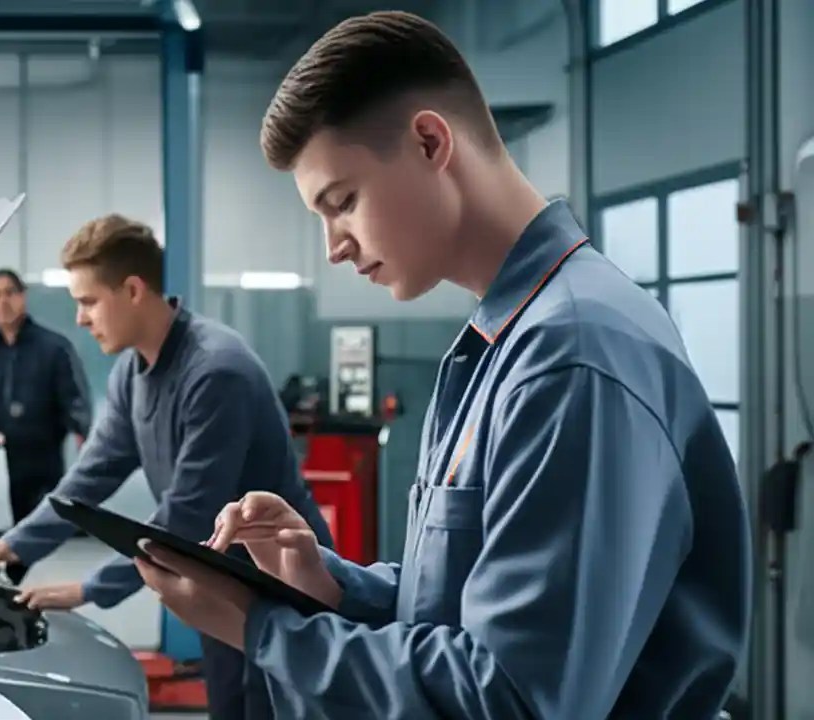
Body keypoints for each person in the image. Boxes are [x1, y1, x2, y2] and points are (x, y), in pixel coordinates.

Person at [131, 11, 751, 720]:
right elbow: (468, 607)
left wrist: (260, 627)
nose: (334, 245)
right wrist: (330, 586)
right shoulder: (501, 342)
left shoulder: (571, 358)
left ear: (430, 142)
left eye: (344, 203)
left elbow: (512, 698)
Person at [0, 215, 334, 720]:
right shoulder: (131, 372)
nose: (79, 318)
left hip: (286, 587)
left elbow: (188, 512)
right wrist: (7, 546)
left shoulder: (215, 371)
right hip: (220, 585)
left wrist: (88, 589)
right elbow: (91, 476)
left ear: (132, 290)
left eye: (88, 301)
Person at [0, 268, 93, 584]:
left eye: (10, 292)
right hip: (2, 458)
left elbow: (76, 402)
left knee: (39, 526)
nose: (4, 301)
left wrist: (84, 439)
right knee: (11, 531)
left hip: (43, 456)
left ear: (23, 297)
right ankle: (10, 580)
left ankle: (17, 578)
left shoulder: (53, 348)